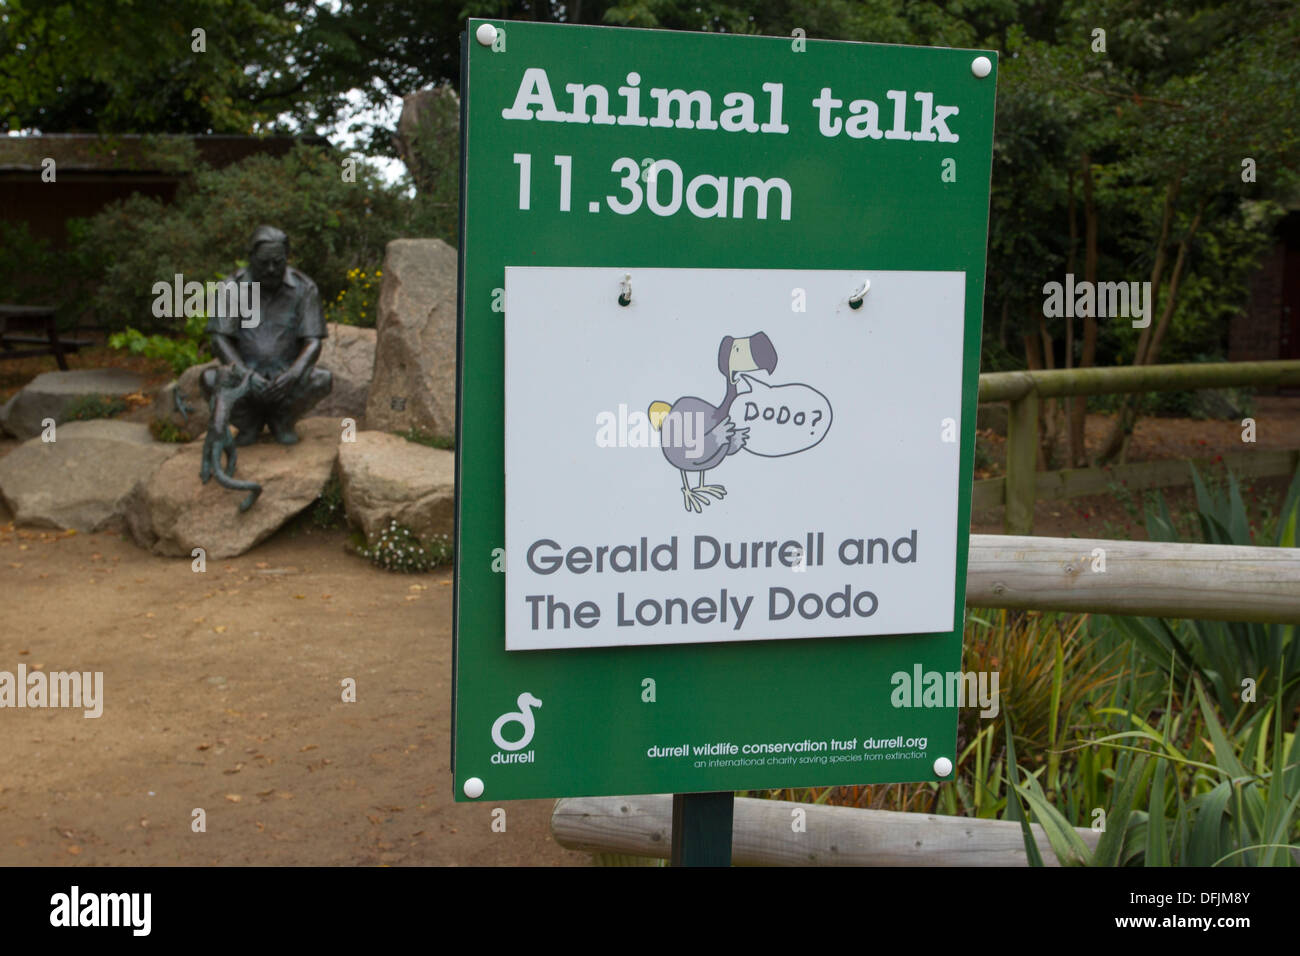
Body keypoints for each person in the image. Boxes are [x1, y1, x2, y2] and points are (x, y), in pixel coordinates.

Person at [200, 225, 332, 445]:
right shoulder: (232, 287)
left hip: (285, 380)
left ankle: (283, 420)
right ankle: (249, 423)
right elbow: (219, 339)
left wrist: (292, 375)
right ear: (251, 257)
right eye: (263, 263)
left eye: (278, 262)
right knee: (209, 380)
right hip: (244, 378)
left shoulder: (305, 288)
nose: (271, 269)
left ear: (286, 258)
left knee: (323, 379)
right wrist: (246, 375)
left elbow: (313, 341)